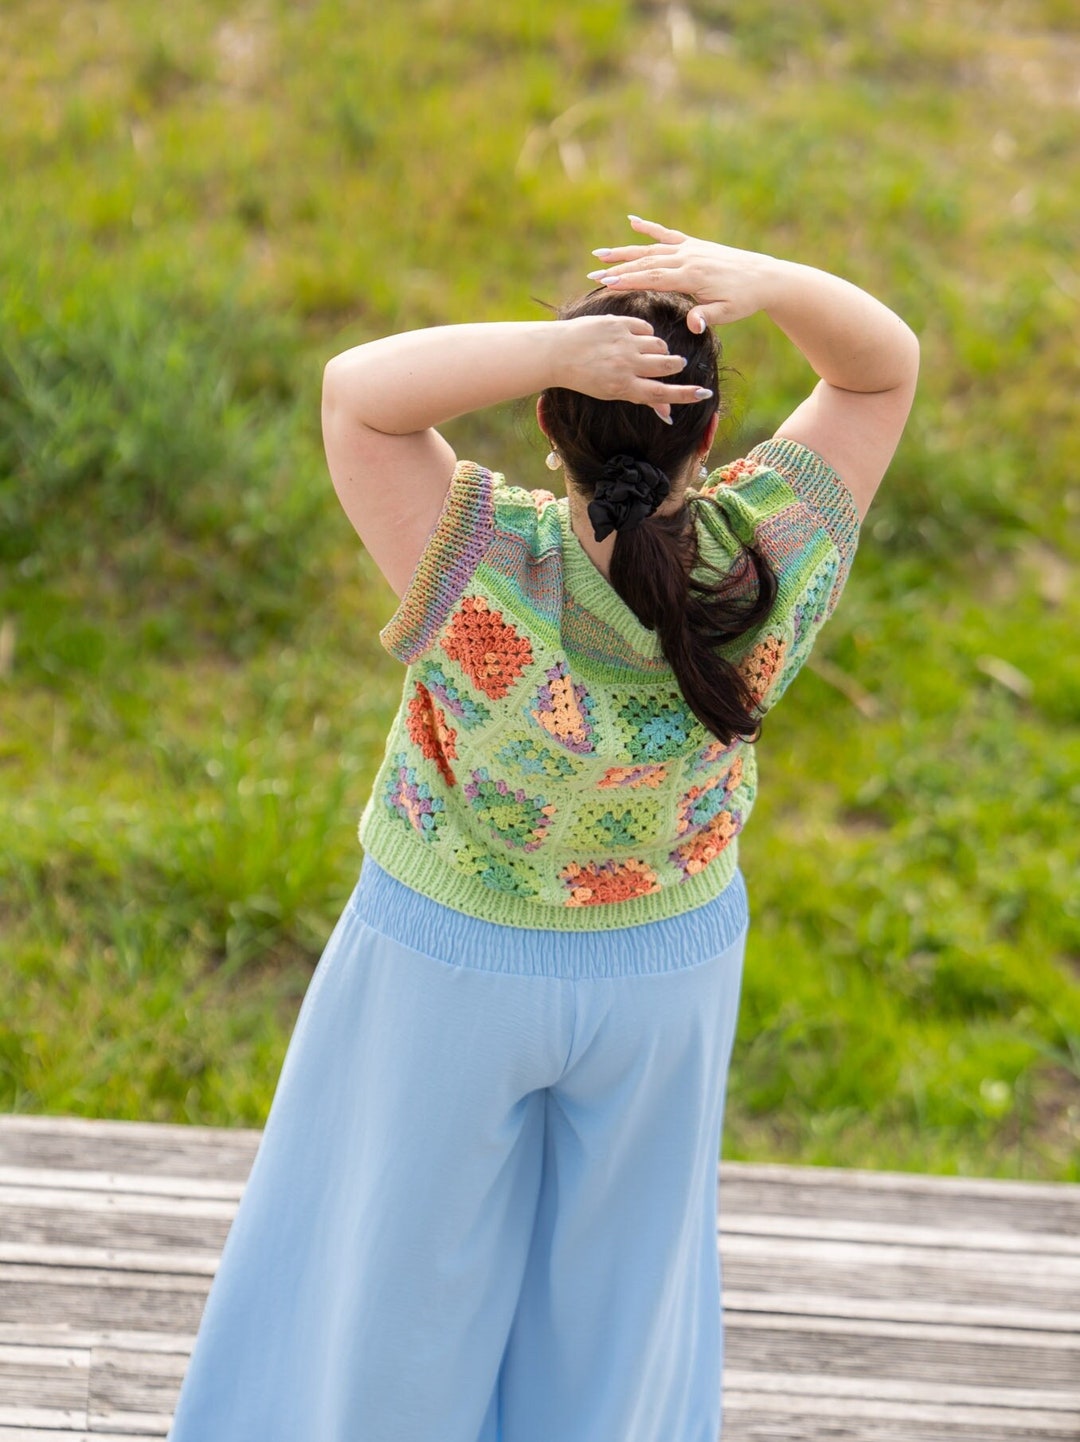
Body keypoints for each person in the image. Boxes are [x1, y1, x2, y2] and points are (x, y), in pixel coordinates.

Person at [166, 217, 918, 1442]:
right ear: (714, 435)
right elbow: (882, 367)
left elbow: (359, 393)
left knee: (391, 1280)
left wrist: (545, 348)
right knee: (623, 1304)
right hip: (665, 969)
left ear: (548, 423)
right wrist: (771, 283)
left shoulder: (480, 560)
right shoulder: (769, 558)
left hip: (446, 952)